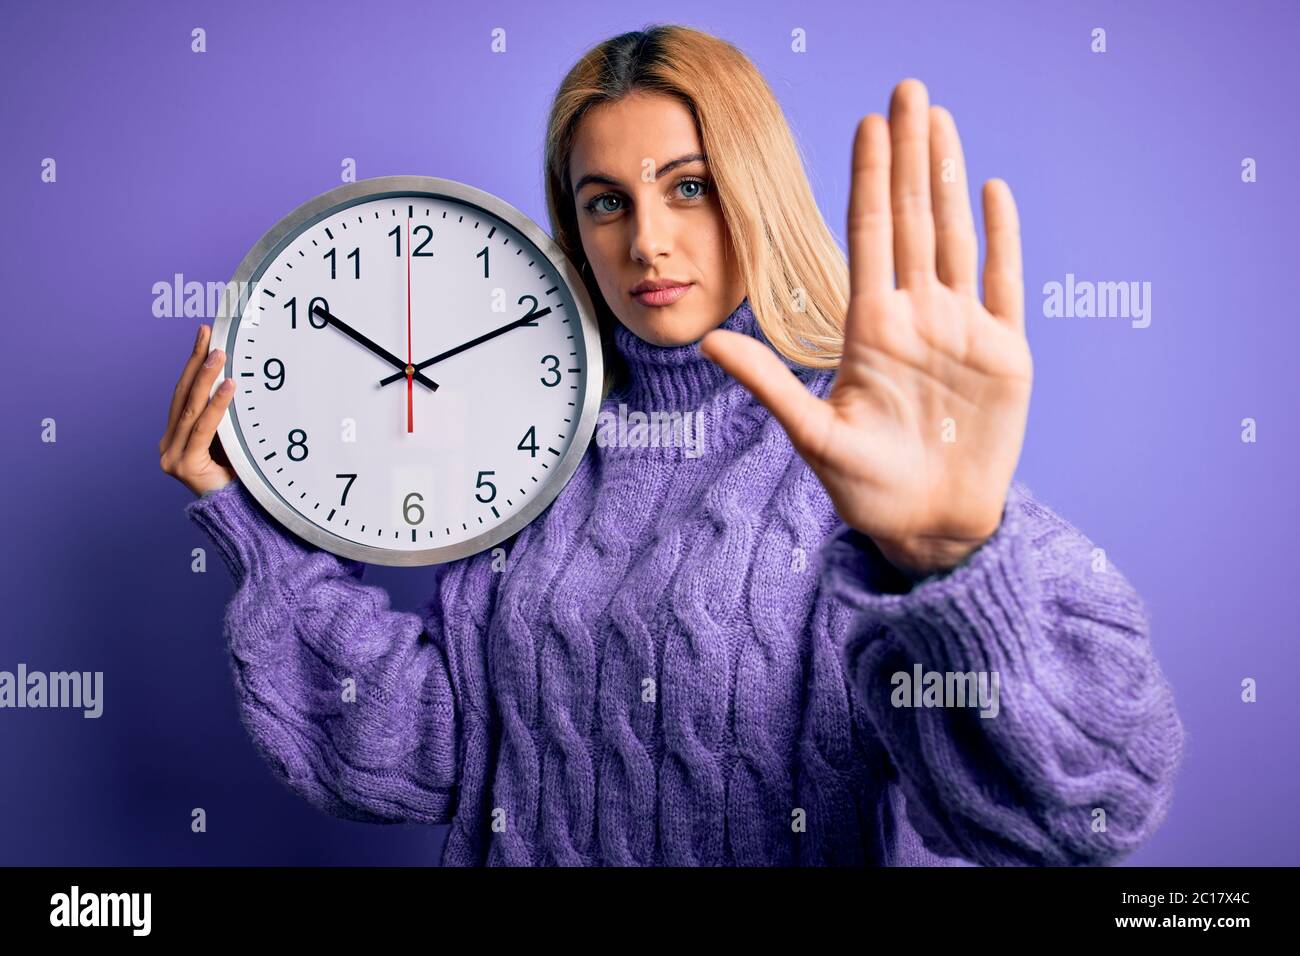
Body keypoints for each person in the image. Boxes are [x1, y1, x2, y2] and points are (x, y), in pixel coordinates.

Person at [159, 25, 1184, 866]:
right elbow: (432, 754)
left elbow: (1088, 805)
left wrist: (953, 558)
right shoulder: (529, 457)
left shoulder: (865, 448)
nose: (645, 239)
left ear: (756, 190)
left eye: (687, 186)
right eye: (606, 201)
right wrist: (258, 532)